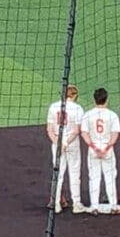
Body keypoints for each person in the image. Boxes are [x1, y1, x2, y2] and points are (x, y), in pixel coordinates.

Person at [80, 87, 120, 215]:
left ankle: (95, 206)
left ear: (94, 100)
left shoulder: (88, 114)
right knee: (110, 178)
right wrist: (107, 148)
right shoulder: (112, 115)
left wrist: (94, 147)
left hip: (93, 149)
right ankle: (114, 205)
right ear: (106, 100)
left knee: (94, 178)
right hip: (107, 149)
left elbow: (84, 133)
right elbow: (115, 134)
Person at [46, 83, 84, 215]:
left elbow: (49, 130)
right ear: (74, 95)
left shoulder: (53, 107)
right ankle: (76, 204)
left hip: (57, 142)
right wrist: (66, 143)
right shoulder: (78, 108)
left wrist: (58, 143)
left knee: (58, 173)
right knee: (74, 173)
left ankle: (55, 204)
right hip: (72, 143)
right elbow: (77, 130)